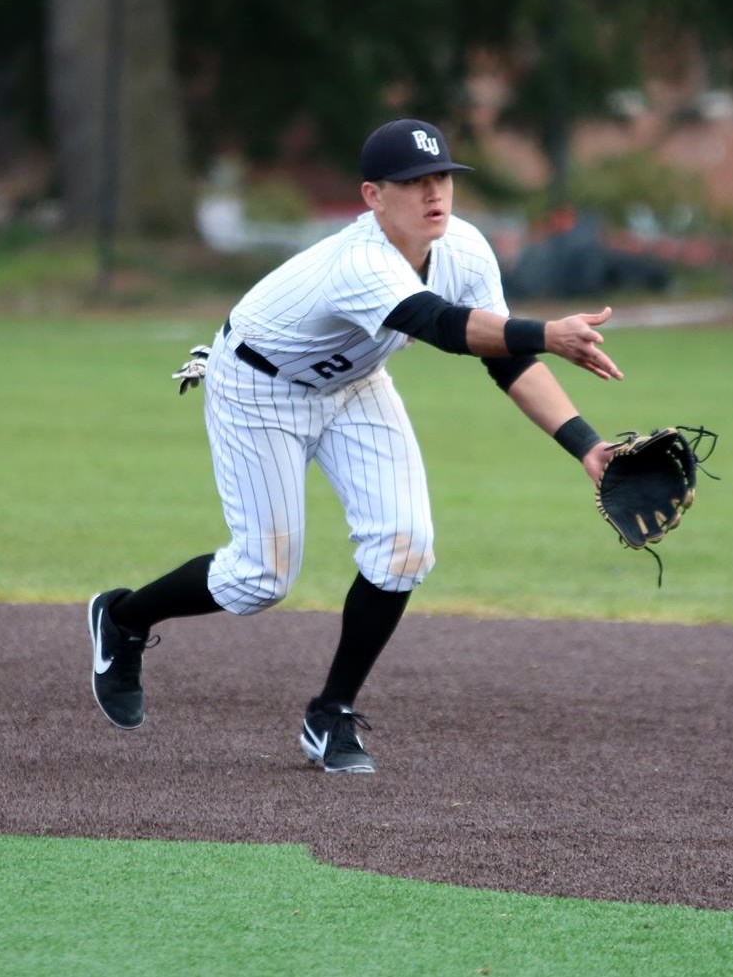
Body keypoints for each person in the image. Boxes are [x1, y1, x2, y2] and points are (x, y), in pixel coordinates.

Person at [88, 118, 624, 774]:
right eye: (413, 183)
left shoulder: (465, 249)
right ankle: (123, 618)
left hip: (352, 383)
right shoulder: (361, 260)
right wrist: (546, 332)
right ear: (373, 196)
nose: (435, 194)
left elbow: (502, 360)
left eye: (442, 179)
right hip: (259, 386)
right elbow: (444, 327)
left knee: (404, 545)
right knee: (259, 577)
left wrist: (588, 447)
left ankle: (331, 712)